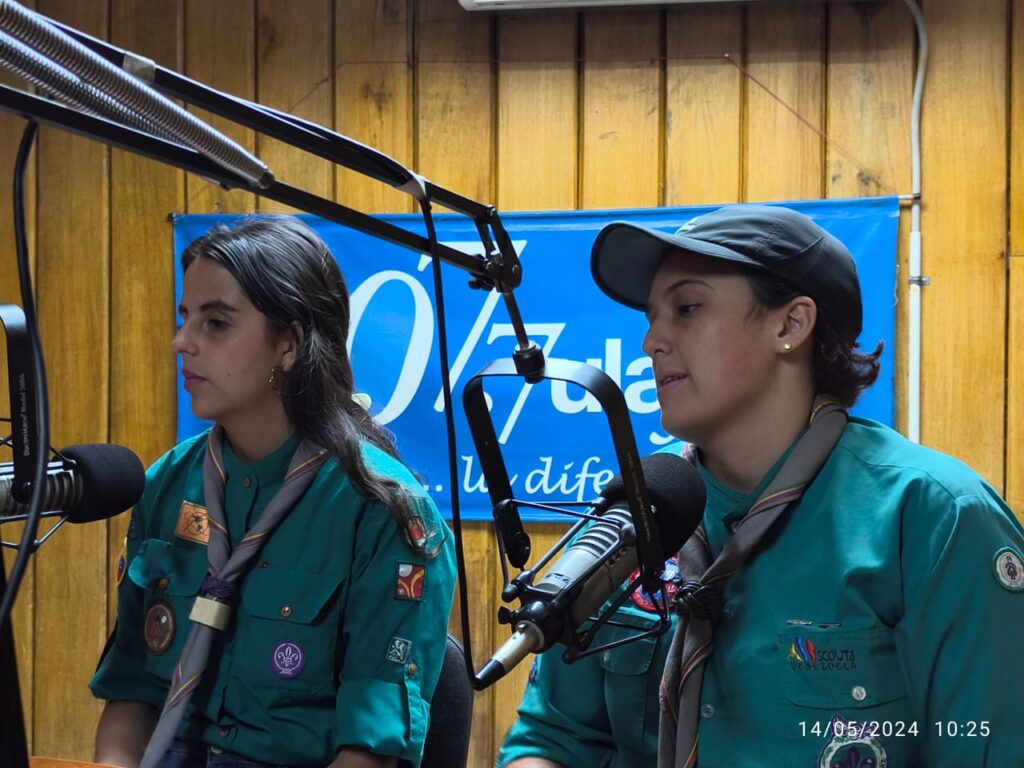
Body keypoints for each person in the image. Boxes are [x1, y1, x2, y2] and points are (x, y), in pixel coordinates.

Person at [497, 204, 1024, 767]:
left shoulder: (937, 517)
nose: (652, 340)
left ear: (790, 325)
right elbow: (551, 739)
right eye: (651, 317)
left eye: (688, 307)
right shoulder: (635, 510)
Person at [90, 216, 457, 768]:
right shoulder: (166, 482)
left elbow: (368, 753)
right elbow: (131, 692)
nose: (180, 342)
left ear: (289, 343)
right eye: (185, 317)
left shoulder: (383, 511)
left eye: (216, 323)